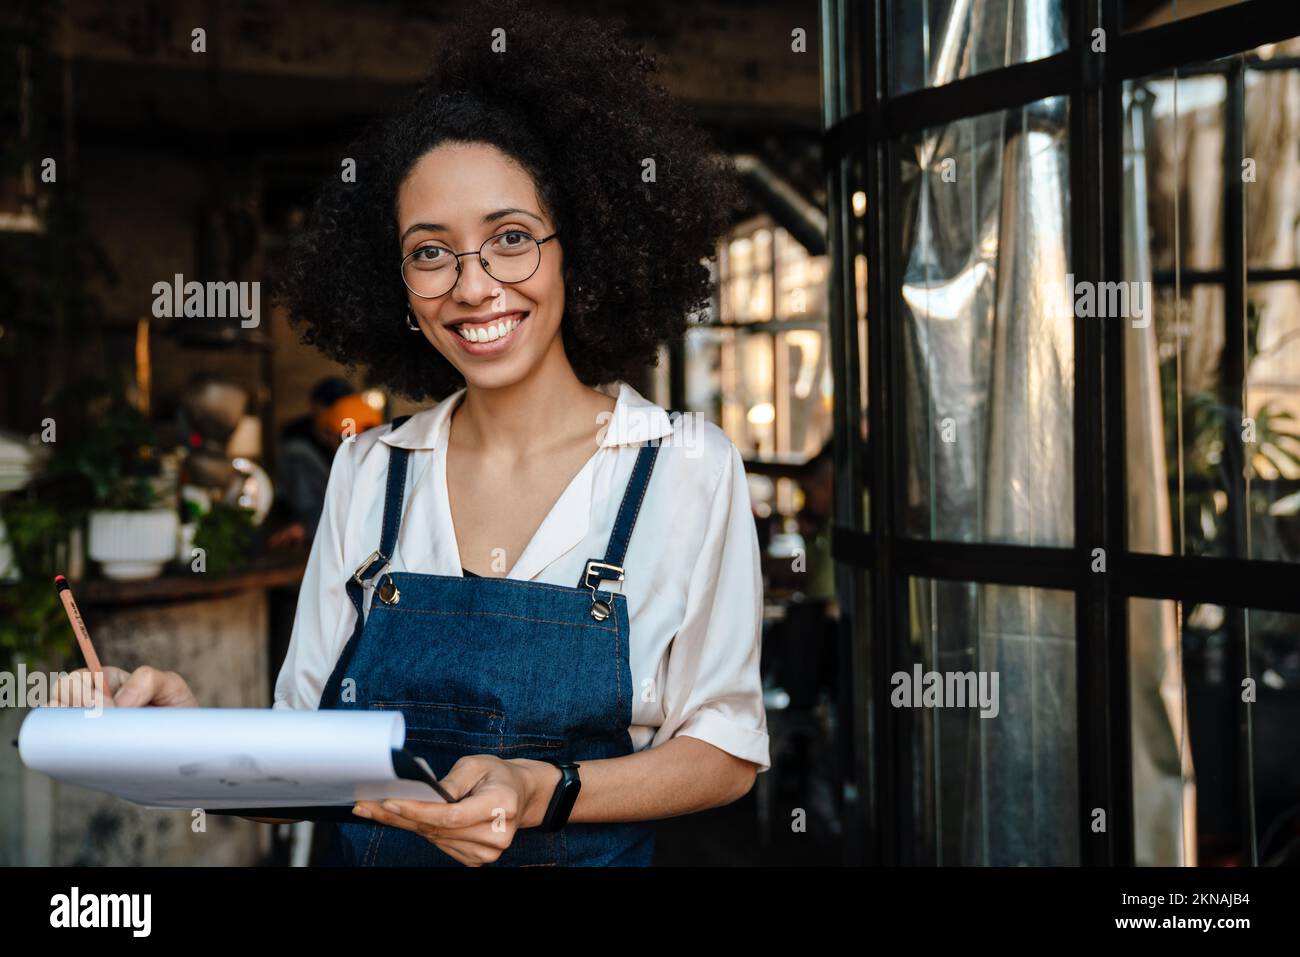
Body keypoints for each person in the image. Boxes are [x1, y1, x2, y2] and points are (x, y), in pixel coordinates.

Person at [52, 1, 769, 868]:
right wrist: (183, 737)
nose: (473, 286)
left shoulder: (684, 467)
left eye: (510, 238)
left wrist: (547, 790)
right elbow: (305, 763)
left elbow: (726, 751)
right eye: (431, 251)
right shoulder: (369, 470)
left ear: (576, 248)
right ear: (395, 281)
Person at [268, 378, 382, 549]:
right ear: (315, 406)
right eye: (332, 405)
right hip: (311, 521)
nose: (338, 411)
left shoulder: (351, 431)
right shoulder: (297, 442)